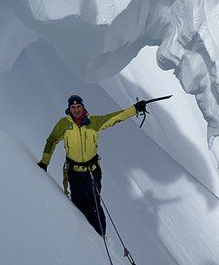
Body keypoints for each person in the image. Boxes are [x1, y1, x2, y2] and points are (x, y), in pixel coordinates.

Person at [37, 94, 146, 235]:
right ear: (69, 109)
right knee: (78, 204)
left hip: (92, 172)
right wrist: (44, 162)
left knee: (94, 203)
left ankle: (101, 236)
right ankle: (85, 237)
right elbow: (51, 141)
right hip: (74, 172)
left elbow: (115, 117)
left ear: (83, 107)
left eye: (78, 106)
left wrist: (135, 109)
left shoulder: (93, 122)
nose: (76, 110)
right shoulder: (64, 124)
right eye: (73, 107)